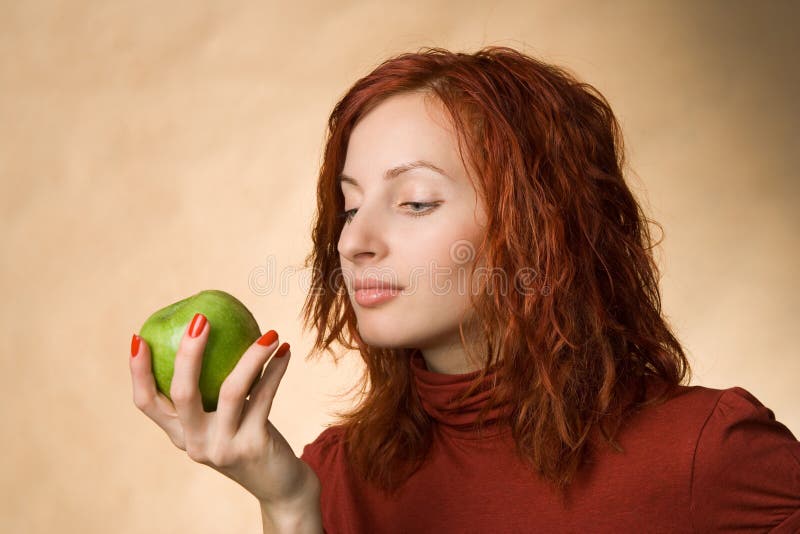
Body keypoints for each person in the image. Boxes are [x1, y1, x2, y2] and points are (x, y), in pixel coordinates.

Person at [130, 46, 800, 533]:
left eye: (415, 201)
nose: (353, 240)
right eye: (350, 204)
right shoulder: (331, 479)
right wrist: (287, 506)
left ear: (542, 226)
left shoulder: (710, 455)